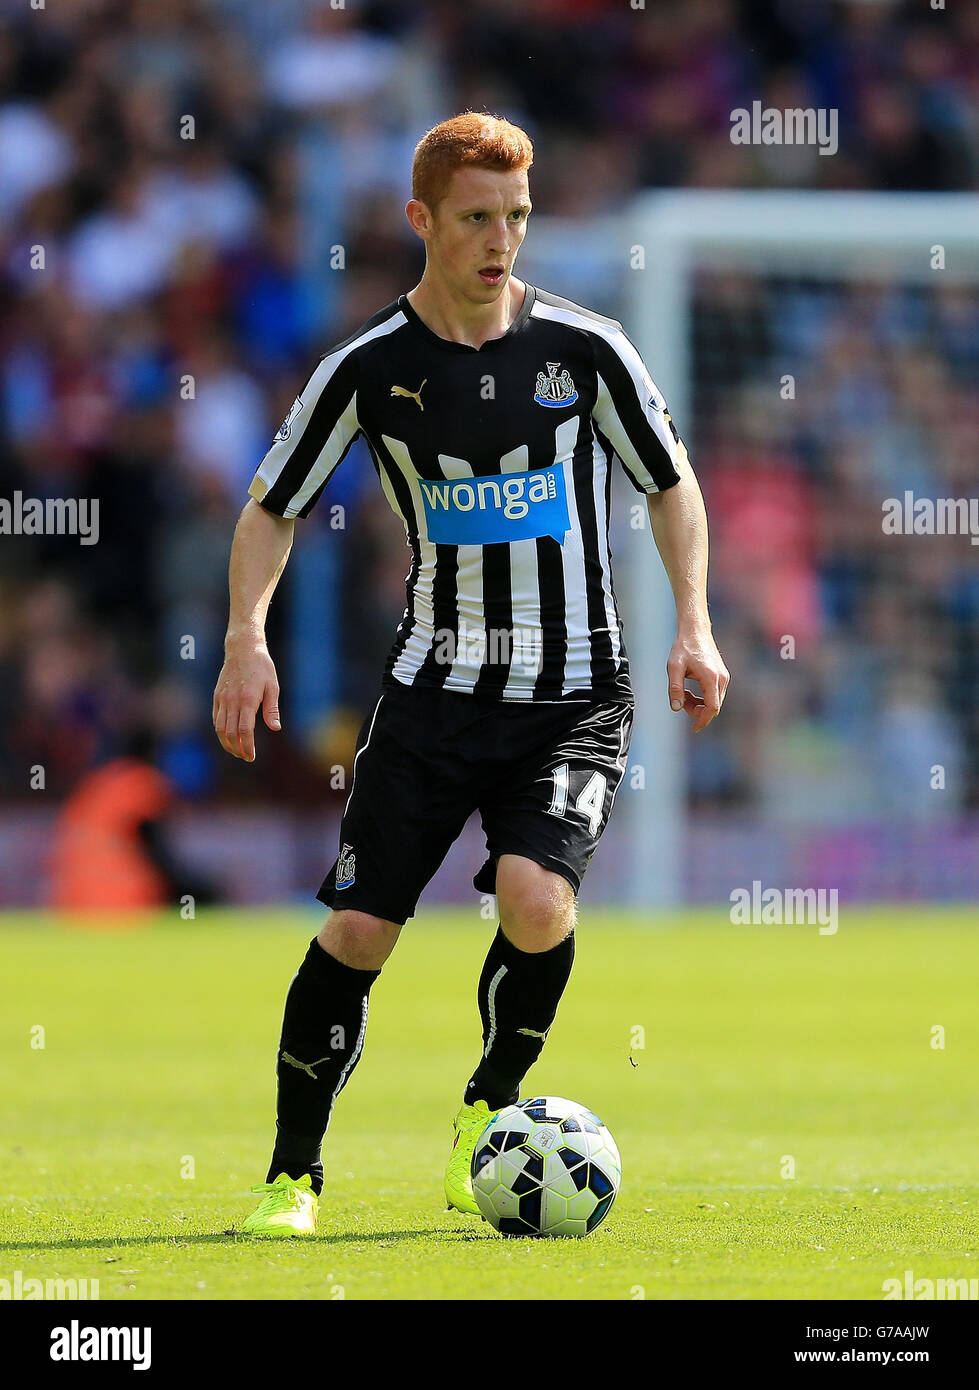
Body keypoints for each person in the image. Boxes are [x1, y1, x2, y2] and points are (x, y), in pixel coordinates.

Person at [212, 113, 729, 1236]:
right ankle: (291, 1177)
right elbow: (271, 504)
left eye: (517, 218)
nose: (502, 241)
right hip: (434, 694)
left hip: (575, 693)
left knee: (539, 902)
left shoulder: (585, 350)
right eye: (477, 219)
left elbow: (670, 482)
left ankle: (488, 1114)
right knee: (358, 933)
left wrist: (693, 621)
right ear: (422, 221)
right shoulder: (369, 369)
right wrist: (246, 635)